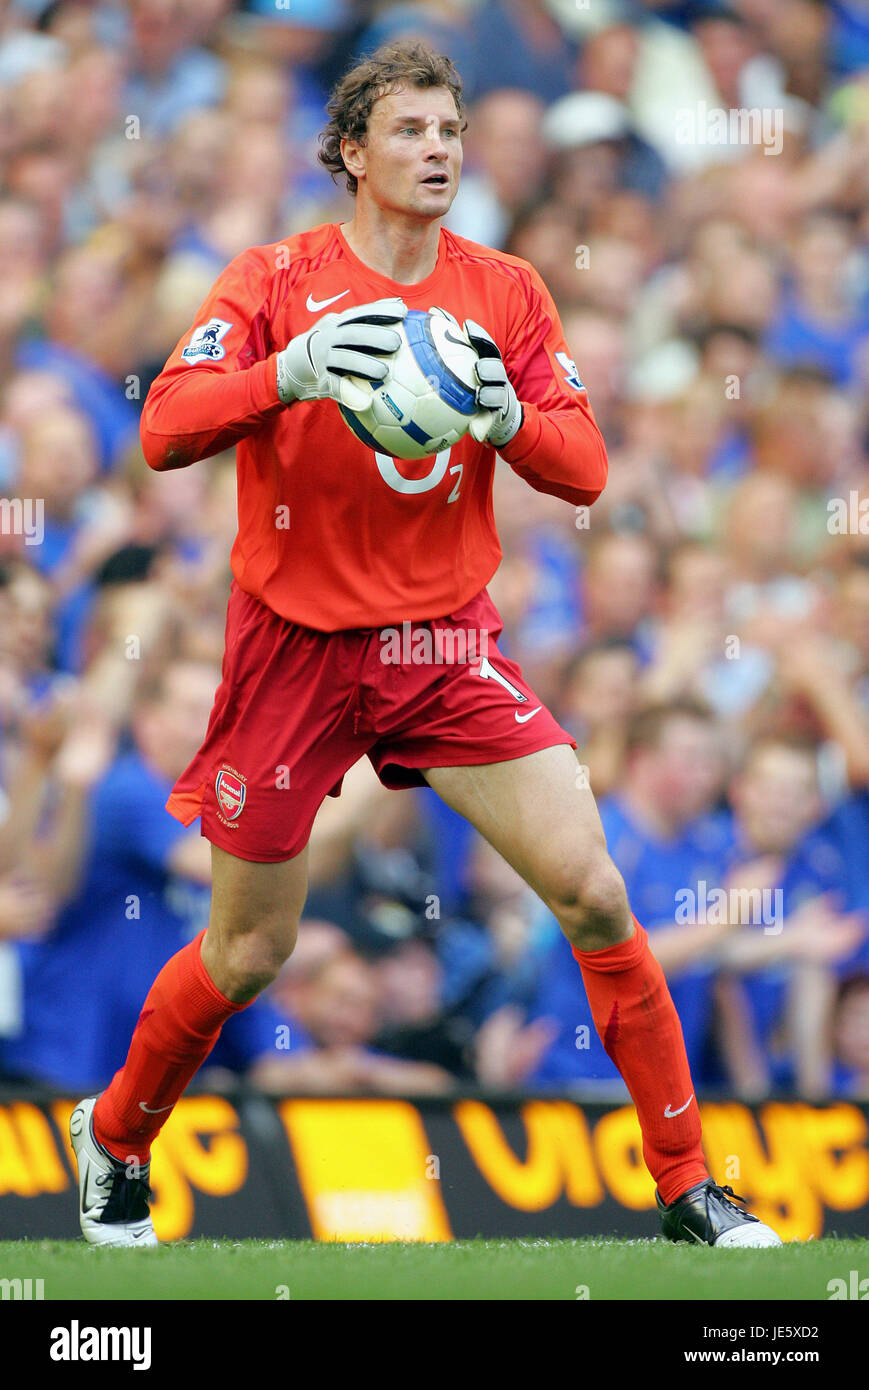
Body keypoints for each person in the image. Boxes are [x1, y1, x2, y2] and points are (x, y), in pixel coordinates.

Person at [69, 40, 780, 1250]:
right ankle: (118, 1138)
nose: (438, 149)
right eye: (409, 131)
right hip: (292, 650)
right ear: (350, 151)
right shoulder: (272, 280)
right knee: (247, 951)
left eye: (448, 130)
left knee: (594, 890)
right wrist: (282, 376)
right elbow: (163, 428)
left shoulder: (502, 288)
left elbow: (586, 463)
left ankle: (686, 1187)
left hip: (441, 646)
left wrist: (509, 415)